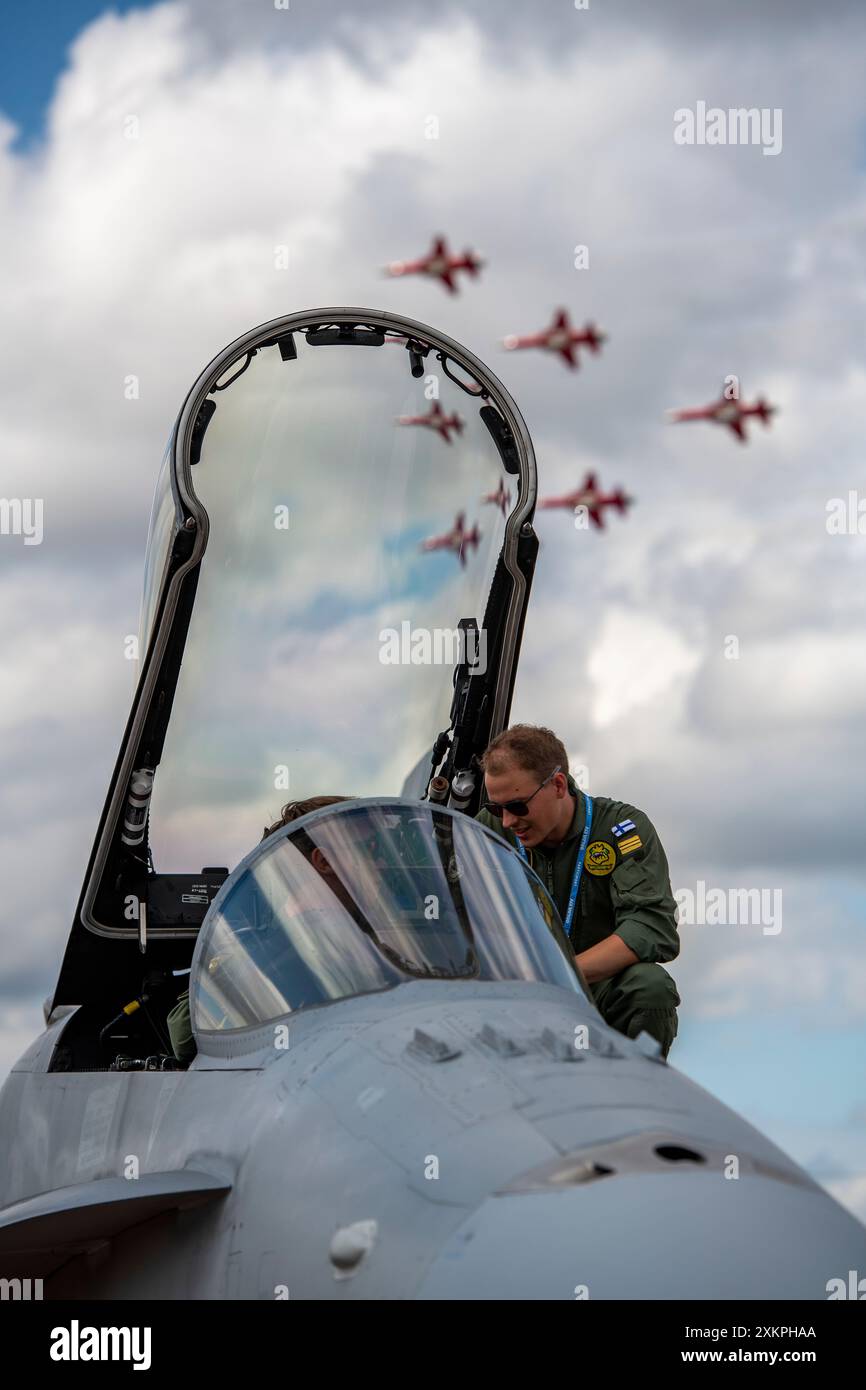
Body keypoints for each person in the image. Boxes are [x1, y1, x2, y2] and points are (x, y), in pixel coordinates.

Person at [475, 725, 680, 1058]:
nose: (509, 821)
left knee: (650, 987)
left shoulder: (619, 830)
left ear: (558, 785)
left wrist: (559, 973)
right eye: (498, 808)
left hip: (592, 989)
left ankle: (630, 1092)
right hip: (515, 992)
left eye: (518, 806)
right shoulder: (487, 830)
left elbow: (651, 925)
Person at [166, 795, 350, 1064]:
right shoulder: (256, 954)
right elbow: (184, 1037)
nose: (381, 865)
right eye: (367, 850)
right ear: (324, 861)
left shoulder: (372, 943)